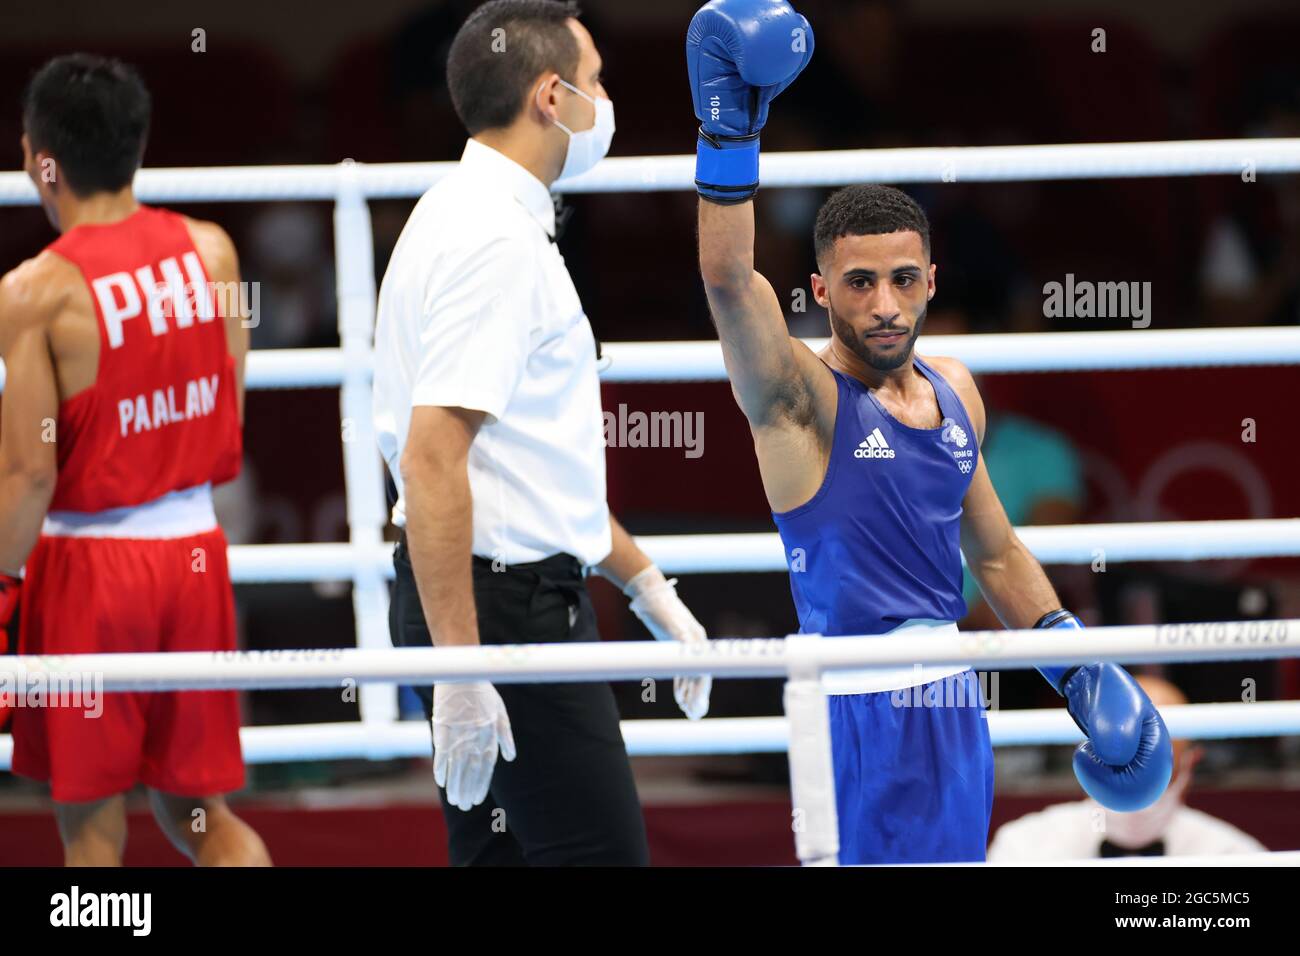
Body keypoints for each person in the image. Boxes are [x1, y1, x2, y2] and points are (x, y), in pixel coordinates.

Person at [687, 0, 1173, 864]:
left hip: (953, 698)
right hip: (853, 705)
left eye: (903, 279)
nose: (883, 303)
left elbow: (993, 555)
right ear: (822, 289)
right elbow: (728, 281)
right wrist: (729, 132)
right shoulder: (802, 397)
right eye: (860, 282)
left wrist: (1079, 666)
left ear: (932, 281)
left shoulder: (955, 393)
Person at [373, 0, 710, 866]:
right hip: (503, 613)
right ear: (551, 97)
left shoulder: (469, 213)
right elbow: (434, 457)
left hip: (486, 596)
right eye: (594, 80)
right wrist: (463, 669)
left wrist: (646, 586)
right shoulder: (494, 241)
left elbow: (523, 468)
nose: (606, 101)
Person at [2, 54, 268, 866]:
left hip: (91, 574)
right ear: (138, 144)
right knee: (198, 812)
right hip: (194, 556)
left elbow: (31, 474)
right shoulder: (213, 252)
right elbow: (230, 410)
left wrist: (2, 584)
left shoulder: (36, 291)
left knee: (90, 825)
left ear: (35, 159)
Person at [988, 676, 1266, 860]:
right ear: (1088, 758)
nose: (1134, 786)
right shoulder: (1023, 846)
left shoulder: (1233, 855)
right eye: (1119, 765)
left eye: (1156, 771)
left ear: (1189, 764)